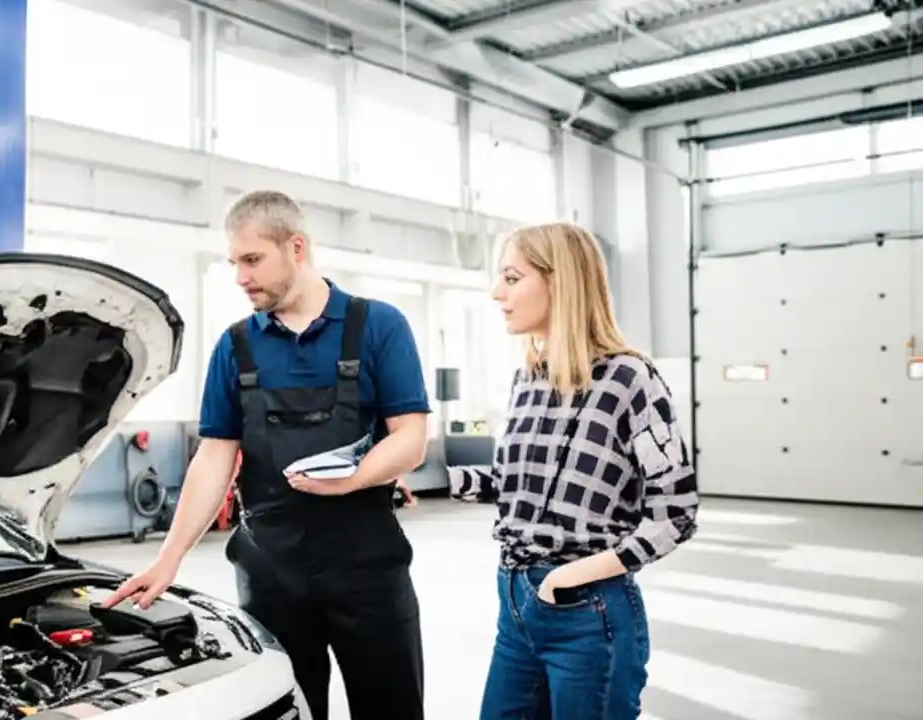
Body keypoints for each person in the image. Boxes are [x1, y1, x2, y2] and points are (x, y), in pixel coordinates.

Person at [101, 189, 431, 720]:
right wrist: (170, 557)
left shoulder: (378, 326)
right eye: (234, 262)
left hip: (367, 570)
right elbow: (215, 457)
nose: (240, 276)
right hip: (271, 573)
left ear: (296, 247)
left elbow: (411, 439)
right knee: (283, 711)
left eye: (252, 259)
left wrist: (350, 479)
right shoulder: (235, 347)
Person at [480, 222, 699, 720]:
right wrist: (411, 478)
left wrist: (569, 575)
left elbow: (675, 513)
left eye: (511, 278)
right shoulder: (527, 380)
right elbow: (509, 481)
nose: (498, 293)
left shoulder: (630, 380)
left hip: (587, 612)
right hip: (514, 606)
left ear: (560, 283)